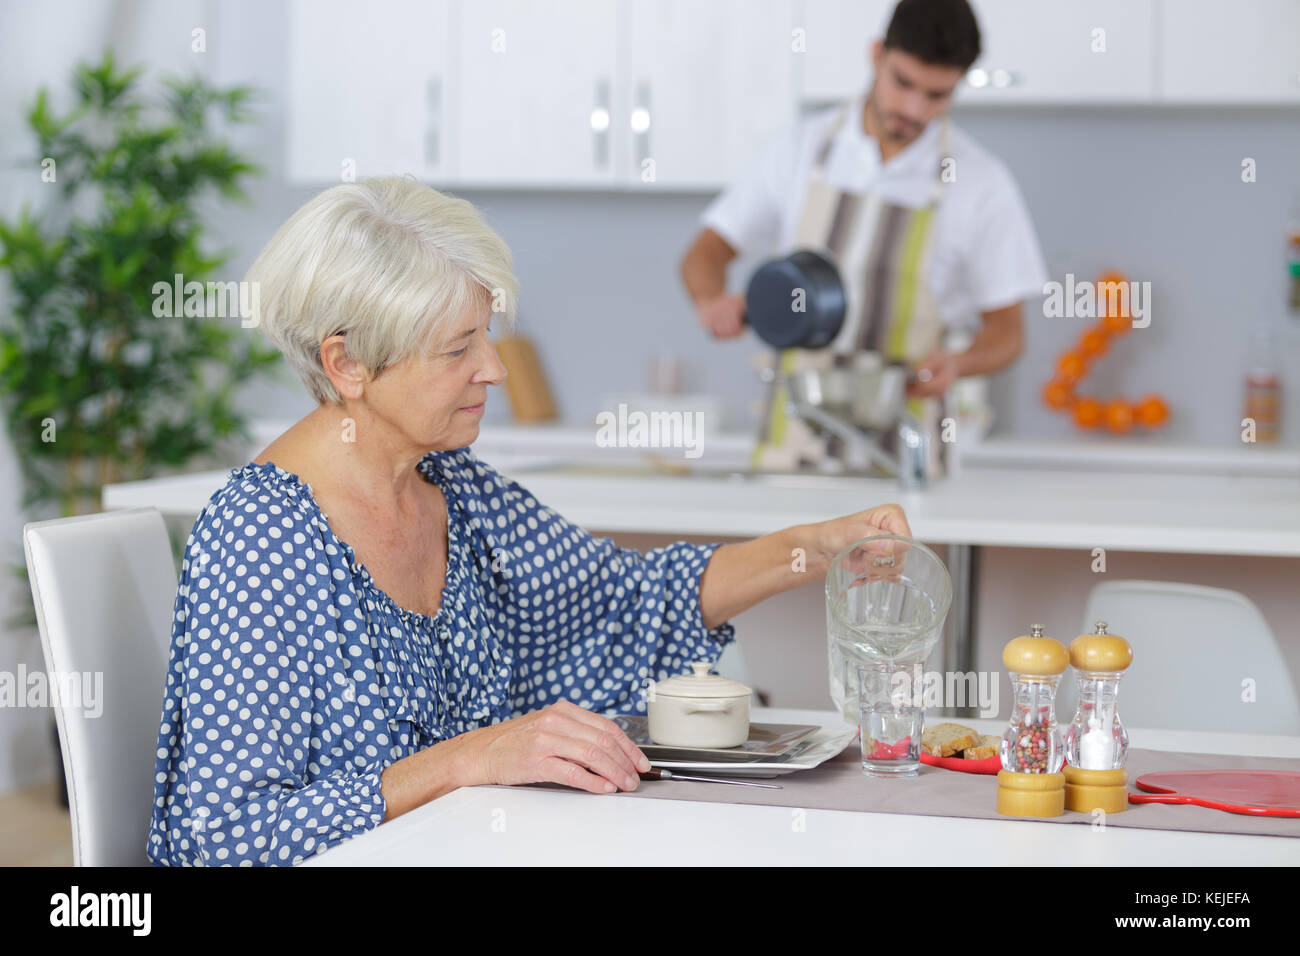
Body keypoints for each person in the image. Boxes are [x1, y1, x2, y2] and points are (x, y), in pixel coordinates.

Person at [147, 176, 912, 866]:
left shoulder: (455, 489)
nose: (495, 368)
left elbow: (632, 600)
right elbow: (219, 839)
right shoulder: (259, 542)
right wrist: (466, 758)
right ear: (346, 364)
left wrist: (817, 549)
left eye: (486, 333)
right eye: (457, 348)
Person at [680, 0, 1048, 477]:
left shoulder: (982, 183)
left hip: (906, 459)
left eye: (937, 95)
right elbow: (705, 251)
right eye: (903, 83)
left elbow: (1008, 333)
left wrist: (959, 363)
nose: (913, 109)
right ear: (876, 55)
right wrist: (711, 300)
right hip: (792, 451)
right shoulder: (799, 148)